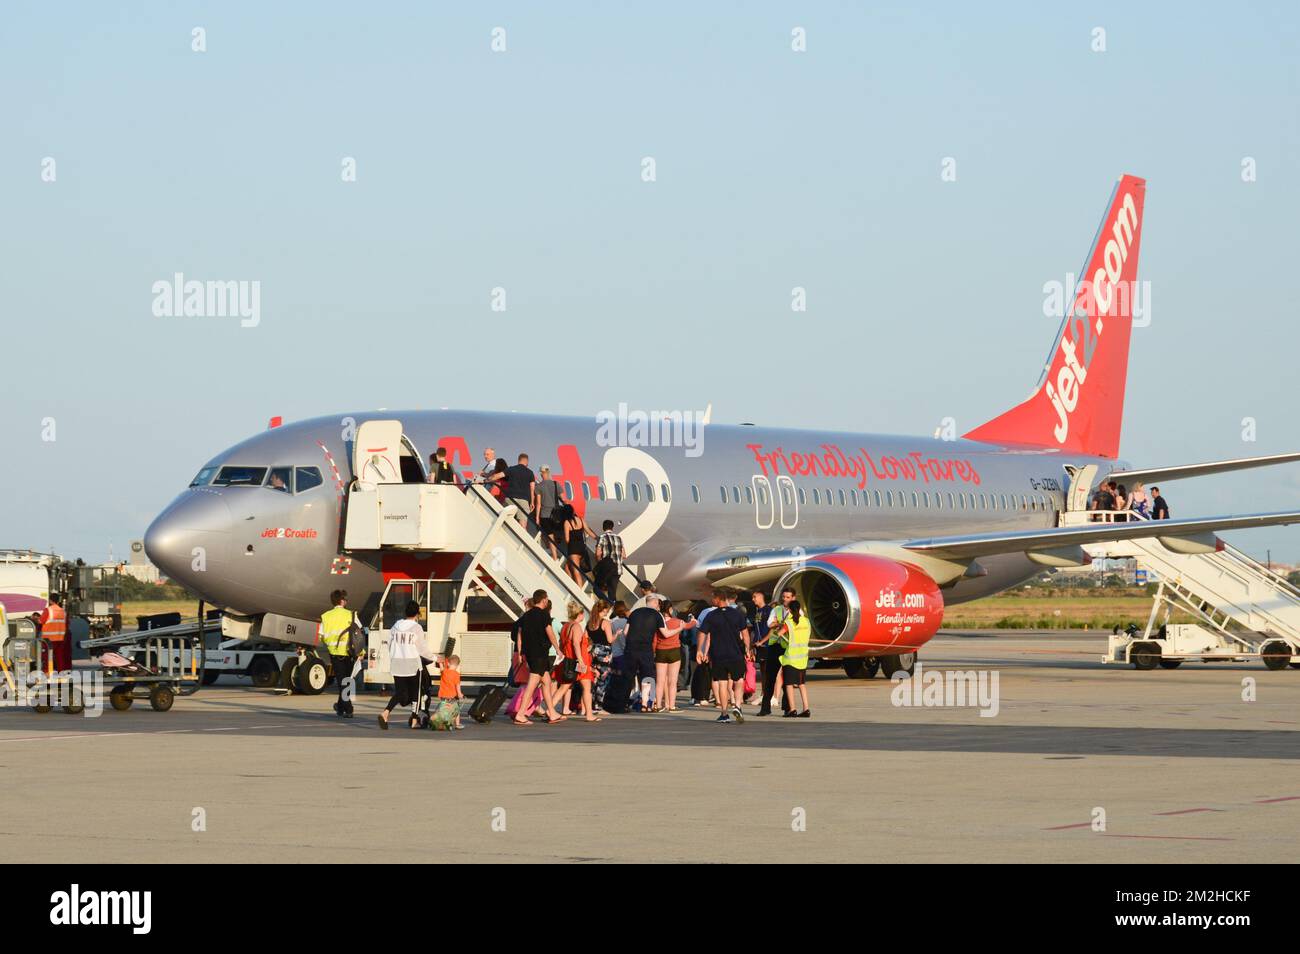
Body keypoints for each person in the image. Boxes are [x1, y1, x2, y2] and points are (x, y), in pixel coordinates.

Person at [697, 589, 750, 724]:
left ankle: (724, 713)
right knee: (738, 680)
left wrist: (700, 650)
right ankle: (737, 705)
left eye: (713, 598)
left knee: (722, 683)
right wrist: (748, 649)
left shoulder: (711, 615)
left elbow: (702, 633)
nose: (711, 601)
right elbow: (745, 633)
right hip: (736, 653)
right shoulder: (737, 614)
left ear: (718, 599)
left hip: (718, 654)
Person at [513, 590, 565, 725]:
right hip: (540, 654)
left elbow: (519, 634)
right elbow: (550, 633)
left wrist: (520, 653)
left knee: (546, 682)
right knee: (532, 684)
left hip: (530, 653)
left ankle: (552, 713)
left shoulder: (526, 616)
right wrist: (558, 649)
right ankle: (521, 714)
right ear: (543, 600)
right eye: (546, 598)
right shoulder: (543, 615)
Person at [379, 600, 428, 730]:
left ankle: (386, 712)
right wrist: (435, 658)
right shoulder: (417, 628)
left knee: (400, 693)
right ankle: (414, 719)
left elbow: (389, 644)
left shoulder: (395, 626)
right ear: (417, 614)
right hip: (412, 664)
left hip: (397, 663)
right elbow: (421, 649)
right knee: (416, 692)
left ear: (405, 612)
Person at [622, 595, 671, 711]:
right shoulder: (657, 615)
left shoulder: (634, 613)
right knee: (647, 677)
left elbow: (625, 632)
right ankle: (645, 704)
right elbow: (666, 634)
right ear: (655, 603)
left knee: (628, 676)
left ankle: (623, 703)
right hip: (645, 649)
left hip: (631, 648)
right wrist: (680, 628)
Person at [554, 602, 601, 722]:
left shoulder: (565, 626)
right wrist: (581, 661)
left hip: (569, 660)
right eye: (582, 614)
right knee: (586, 687)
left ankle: (550, 708)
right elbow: (576, 643)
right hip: (579, 662)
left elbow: (563, 643)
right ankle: (589, 715)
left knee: (564, 686)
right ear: (579, 614)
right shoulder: (576, 627)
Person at [319, 589, 358, 718]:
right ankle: (348, 708)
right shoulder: (351, 614)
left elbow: (321, 636)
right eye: (345, 599)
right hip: (350, 652)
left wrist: (331, 645)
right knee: (346, 681)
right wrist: (361, 651)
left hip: (335, 653)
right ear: (342, 601)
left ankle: (342, 707)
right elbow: (359, 635)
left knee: (343, 681)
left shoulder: (325, 616)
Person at [756, 587, 793, 717]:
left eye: (788, 597)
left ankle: (787, 707)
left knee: (788, 679)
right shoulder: (776, 609)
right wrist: (780, 625)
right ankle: (765, 708)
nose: (785, 599)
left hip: (788, 647)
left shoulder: (797, 611)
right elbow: (769, 624)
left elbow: (795, 626)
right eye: (783, 597)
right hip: (774, 646)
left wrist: (778, 624)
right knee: (770, 677)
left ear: (793, 598)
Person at [653, 600, 695, 712]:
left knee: (660, 681)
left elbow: (655, 639)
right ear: (670, 609)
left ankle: (658, 705)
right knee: (672, 681)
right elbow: (689, 625)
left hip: (660, 651)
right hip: (674, 651)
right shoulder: (678, 621)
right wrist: (694, 620)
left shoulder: (658, 622)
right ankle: (671, 706)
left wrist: (653, 651)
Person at [780, 600, 812, 718]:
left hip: (791, 658)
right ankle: (806, 708)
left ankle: (792, 709)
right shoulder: (807, 622)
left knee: (788, 684)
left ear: (790, 610)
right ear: (799, 609)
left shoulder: (788, 623)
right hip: (803, 658)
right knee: (801, 684)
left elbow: (778, 634)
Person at [587, 600, 615, 711]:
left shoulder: (590, 623)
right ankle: (598, 705)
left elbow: (587, 638)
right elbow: (609, 639)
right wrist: (616, 635)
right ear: (603, 610)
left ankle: (591, 705)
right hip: (604, 653)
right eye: (606, 611)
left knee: (594, 678)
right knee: (603, 679)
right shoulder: (605, 623)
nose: (607, 613)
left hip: (593, 652)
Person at [533, 466, 567, 557]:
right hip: (556, 515)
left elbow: (539, 504)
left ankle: (555, 557)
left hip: (545, 515)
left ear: (541, 474)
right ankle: (561, 553)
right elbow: (564, 499)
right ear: (549, 473)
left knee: (550, 537)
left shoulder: (539, 486)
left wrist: (537, 518)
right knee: (557, 534)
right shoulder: (556, 484)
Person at [560, 505, 594, 586]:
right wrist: (597, 538)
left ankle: (579, 590)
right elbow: (588, 531)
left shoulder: (567, 522)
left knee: (576, 572)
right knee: (567, 568)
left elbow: (567, 539)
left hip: (573, 549)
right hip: (582, 548)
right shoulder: (581, 520)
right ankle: (572, 586)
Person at [37, 595, 70, 675]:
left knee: (47, 657)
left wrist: (36, 619)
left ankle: (48, 673)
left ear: (50, 601)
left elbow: (40, 621)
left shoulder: (48, 610)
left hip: (49, 640)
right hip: (60, 638)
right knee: (60, 657)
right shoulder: (63, 611)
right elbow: (66, 624)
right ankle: (61, 673)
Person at [594, 520, 625, 601]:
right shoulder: (619, 538)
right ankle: (613, 607)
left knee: (596, 588)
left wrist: (599, 563)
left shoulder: (602, 537)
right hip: (617, 569)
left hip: (607, 569)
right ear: (612, 527)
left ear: (603, 527)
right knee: (612, 592)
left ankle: (607, 603)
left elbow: (598, 554)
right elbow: (624, 555)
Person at [503, 453, 537, 529]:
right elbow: (532, 489)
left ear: (518, 460)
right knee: (522, 526)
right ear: (527, 461)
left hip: (510, 498)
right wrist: (532, 502)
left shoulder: (511, 469)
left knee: (505, 521)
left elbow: (498, 475)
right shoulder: (530, 472)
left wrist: (486, 479)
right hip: (523, 501)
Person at [438, 654, 465, 729]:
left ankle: (443, 723)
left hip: (443, 695)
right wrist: (459, 694)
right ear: (457, 665)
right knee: (456, 710)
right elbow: (457, 685)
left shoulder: (444, 672)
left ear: (449, 663)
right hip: (453, 696)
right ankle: (457, 724)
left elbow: (441, 669)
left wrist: (440, 663)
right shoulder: (456, 674)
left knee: (444, 710)